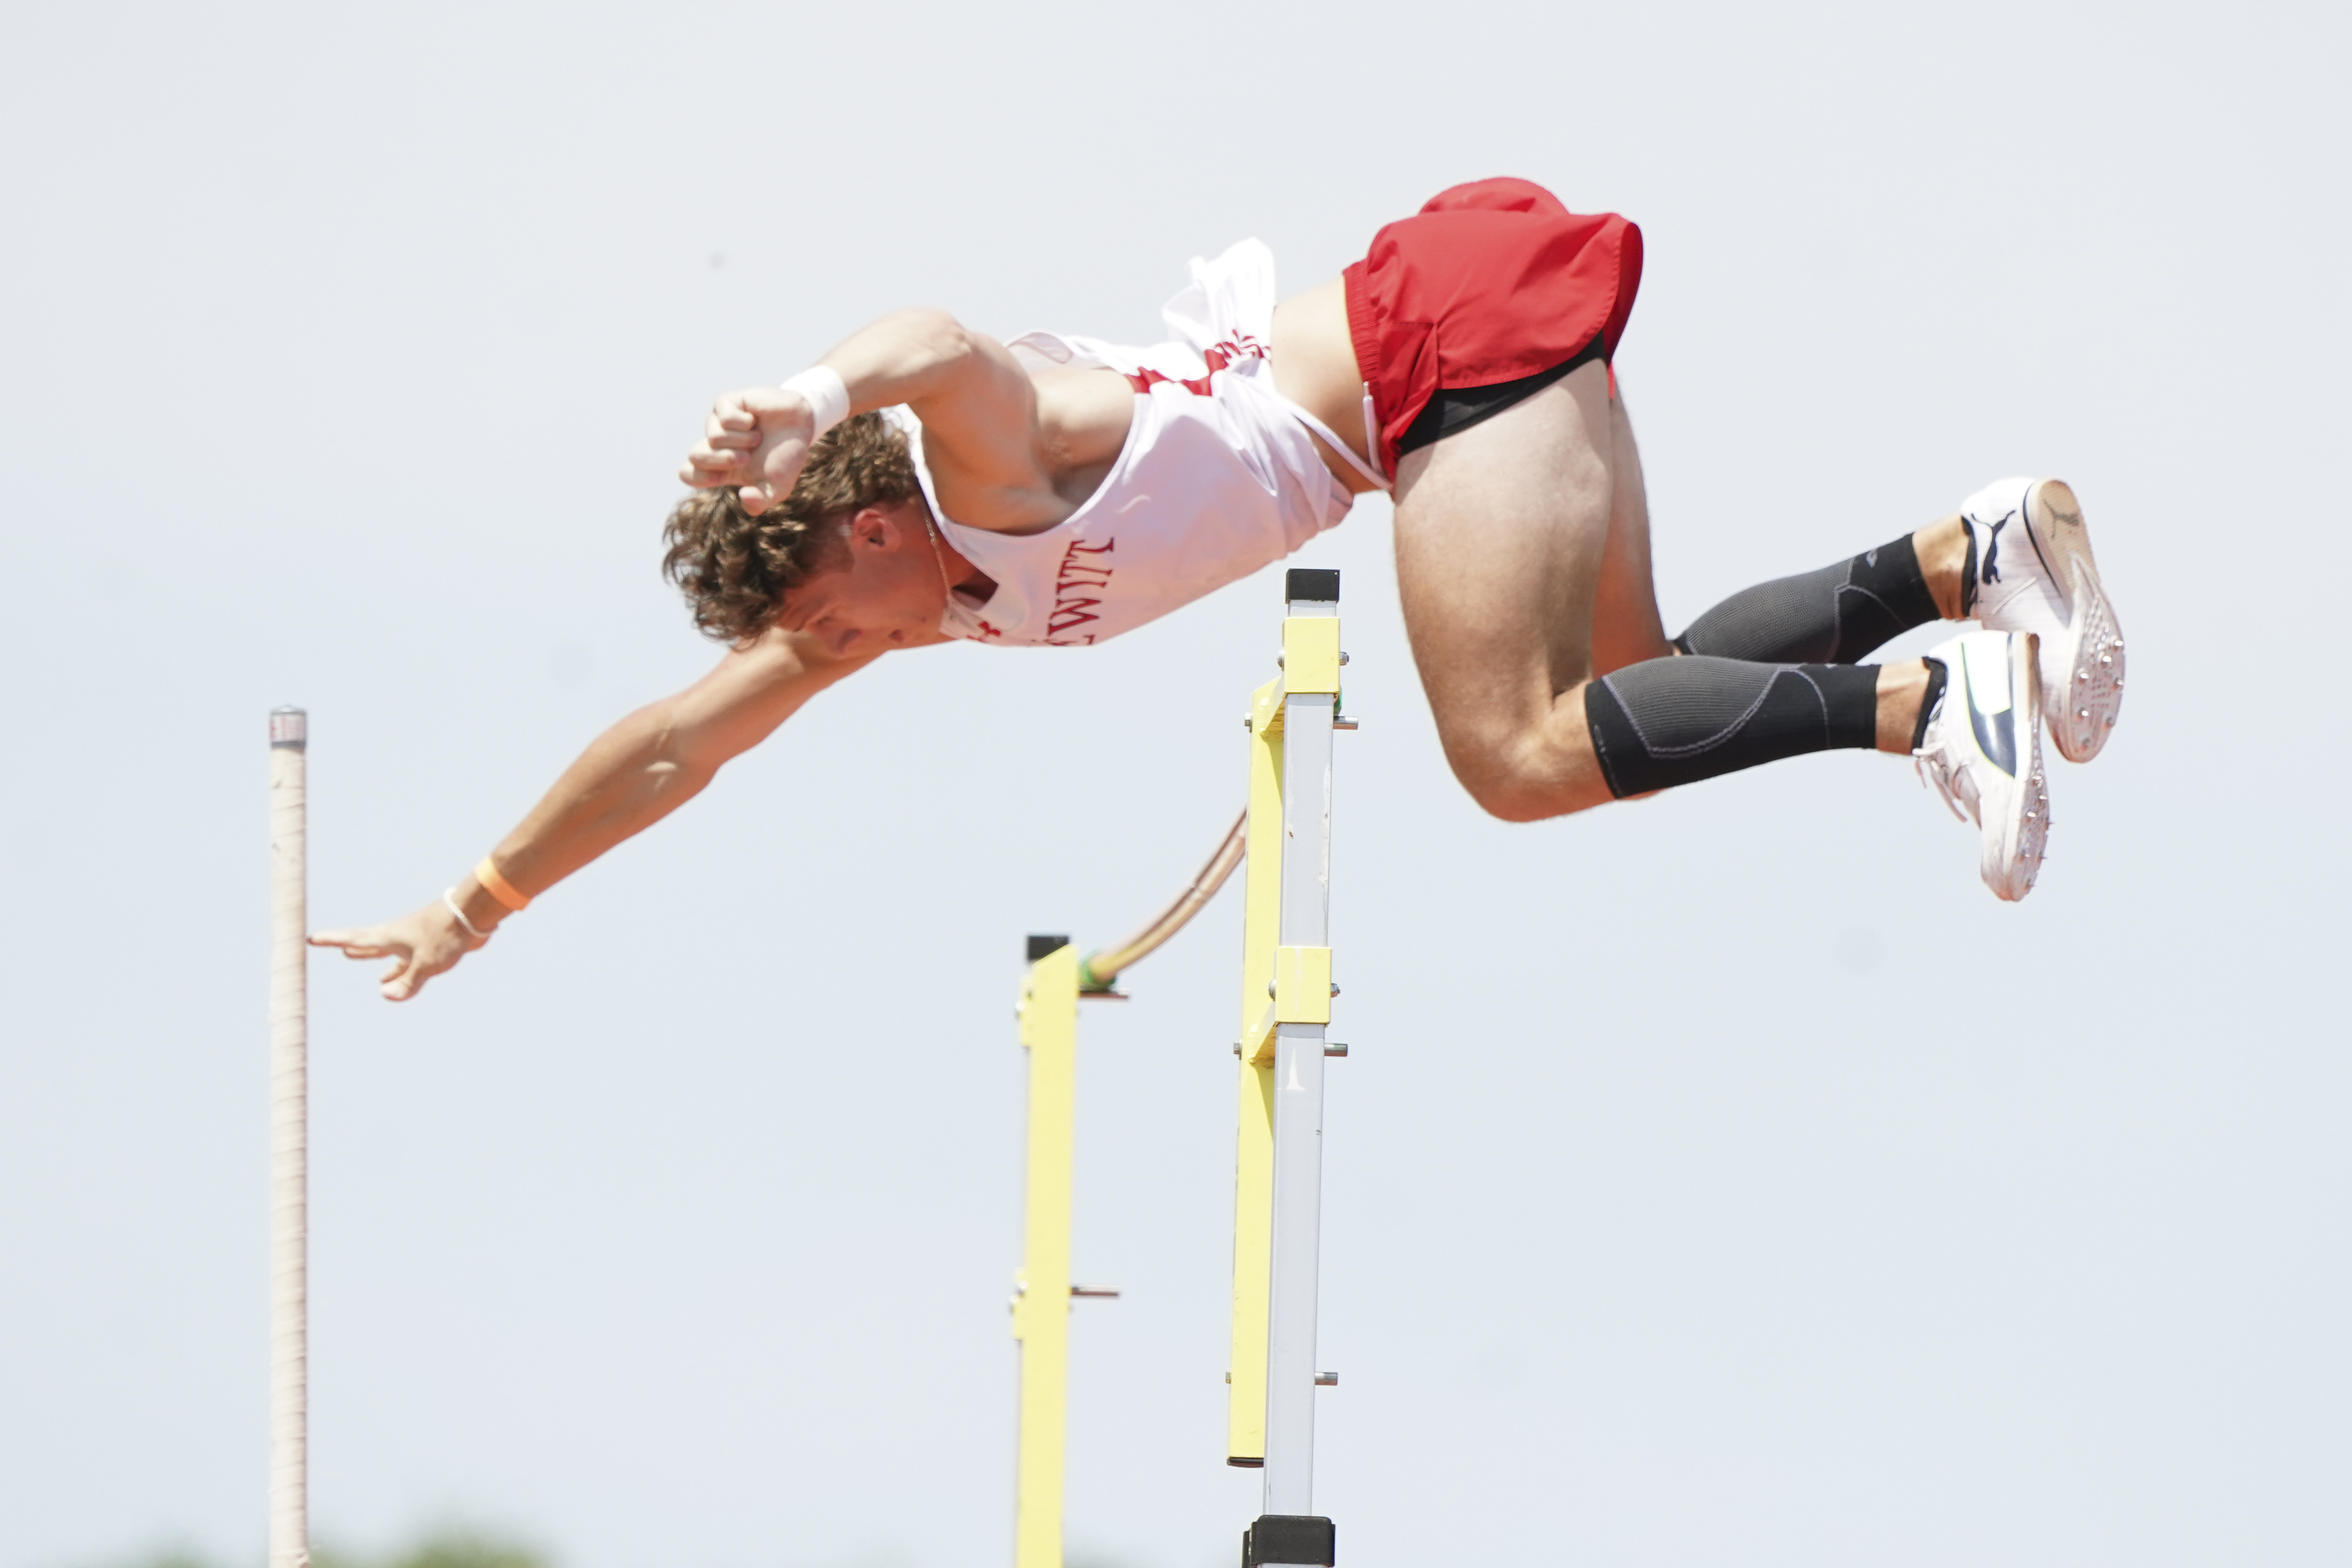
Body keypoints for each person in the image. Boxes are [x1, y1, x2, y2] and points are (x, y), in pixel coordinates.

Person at [313, 177, 2126, 1000]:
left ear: (857, 528)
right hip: (1451, 348)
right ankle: (1973, 563)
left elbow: (940, 336)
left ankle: (1924, 704)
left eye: (831, 622)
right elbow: (670, 749)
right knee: (1622, 693)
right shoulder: (912, 599)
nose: (837, 658)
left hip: (1430, 350)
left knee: (1505, 754)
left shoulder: (985, 467)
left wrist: (806, 391)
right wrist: (476, 902)